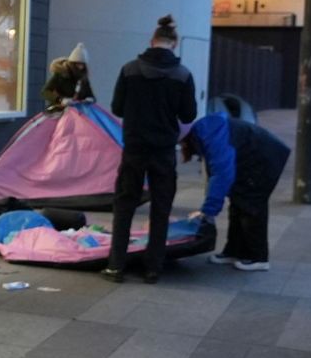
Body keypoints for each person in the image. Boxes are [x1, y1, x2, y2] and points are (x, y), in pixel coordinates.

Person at [103, 15, 197, 284]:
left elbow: (117, 108)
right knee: (161, 207)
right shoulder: (183, 75)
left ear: (151, 41)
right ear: (174, 44)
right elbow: (189, 114)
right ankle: (153, 268)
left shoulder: (130, 69)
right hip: (164, 149)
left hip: (134, 147)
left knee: (124, 204)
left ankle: (115, 266)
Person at [181, 112, 290, 272]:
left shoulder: (210, 135)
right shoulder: (203, 131)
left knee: (251, 207)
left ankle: (258, 257)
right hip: (253, 158)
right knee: (238, 203)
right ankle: (234, 251)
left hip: (263, 159)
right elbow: (216, 172)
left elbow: (222, 174)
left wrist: (208, 211)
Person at [42, 42, 95, 109]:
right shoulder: (60, 75)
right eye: (78, 64)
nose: (80, 67)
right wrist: (60, 100)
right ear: (72, 64)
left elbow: (91, 95)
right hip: (60, 112)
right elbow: (45, 92)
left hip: (77, 113)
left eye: (82, 65)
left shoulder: (83, 78)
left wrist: (90, 99)